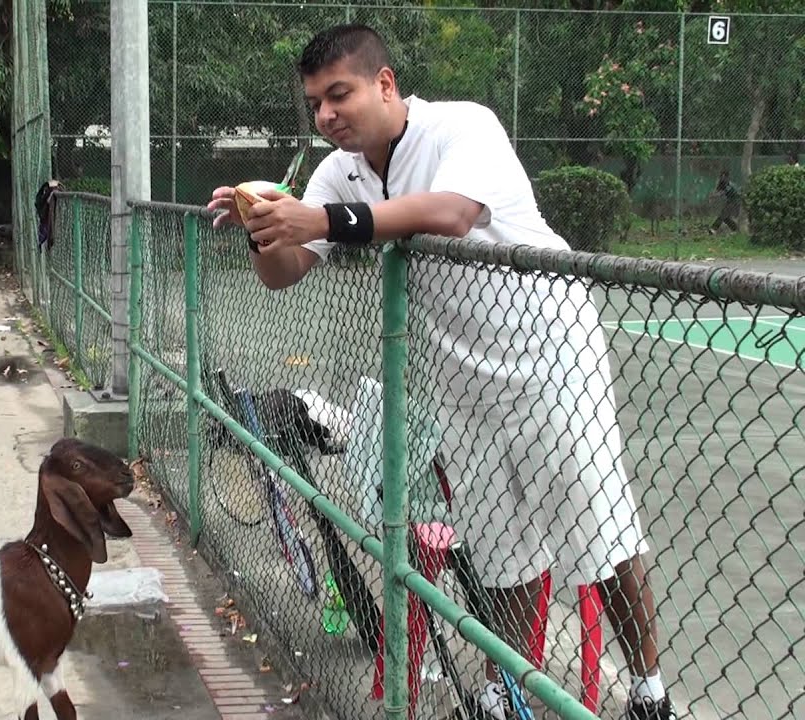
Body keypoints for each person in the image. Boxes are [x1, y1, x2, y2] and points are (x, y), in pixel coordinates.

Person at [207, 23, 673, 720]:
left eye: (340, 95)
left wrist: (321, 220)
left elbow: (450, 215)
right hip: (461, 378)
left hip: (550, 354)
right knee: (500, 551)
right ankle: (499, 692)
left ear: (385, 83)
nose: (327, 115)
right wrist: (263, 227)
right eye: (316, 104)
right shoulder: (341, 172)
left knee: (598, 532)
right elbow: (284, 274)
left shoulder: (463, 128)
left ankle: (649, 693)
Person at [707, 169, 740, 235]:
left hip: (735, 202)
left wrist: (713, 196)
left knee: (722, 215)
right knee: (725, 218)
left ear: (726, 176)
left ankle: (713, 229)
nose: (721, 177)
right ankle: (735, 229)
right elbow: (718, 190)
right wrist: (713, 193)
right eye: (721, 176)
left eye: (723, 176)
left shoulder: (729, 184)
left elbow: (721, 193)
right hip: (730, 201)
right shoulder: (724, 183)